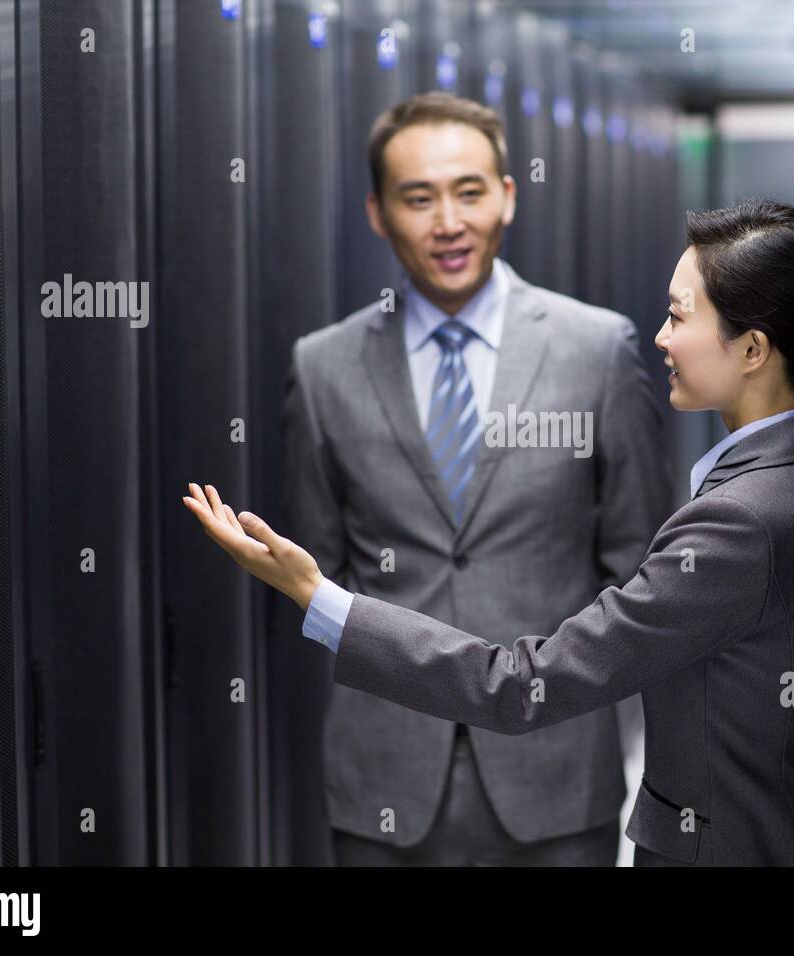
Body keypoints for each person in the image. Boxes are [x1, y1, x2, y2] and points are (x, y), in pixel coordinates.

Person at [186, 198, 794, 866]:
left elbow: (521, 685)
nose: (661, 337)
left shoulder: (738, 522)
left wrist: (318, 598)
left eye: (680, 316)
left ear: (753, 350)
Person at [280, 92, 672, 866]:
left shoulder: (596, 348)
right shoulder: (322, 367)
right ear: (377, 213)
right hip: (385, 777)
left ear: (508, 197)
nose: (448, 222)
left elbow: (639, 568)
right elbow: (316, 577)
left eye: (469, 191)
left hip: (554, 767)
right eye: (417, 198)